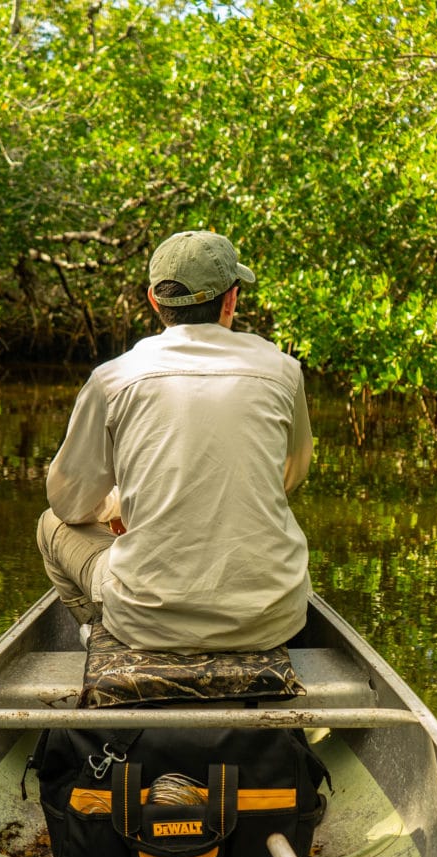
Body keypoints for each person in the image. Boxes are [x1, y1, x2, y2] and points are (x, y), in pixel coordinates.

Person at [36, 230, 312, 654]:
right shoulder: (283, 371)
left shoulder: (112, 378)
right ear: (230, 300)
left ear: (154, 302)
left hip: (146, 624)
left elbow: (68, 503)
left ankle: (102, 631)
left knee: (50, 525)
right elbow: (288, 479)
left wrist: (116, 506)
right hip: (273, 620)